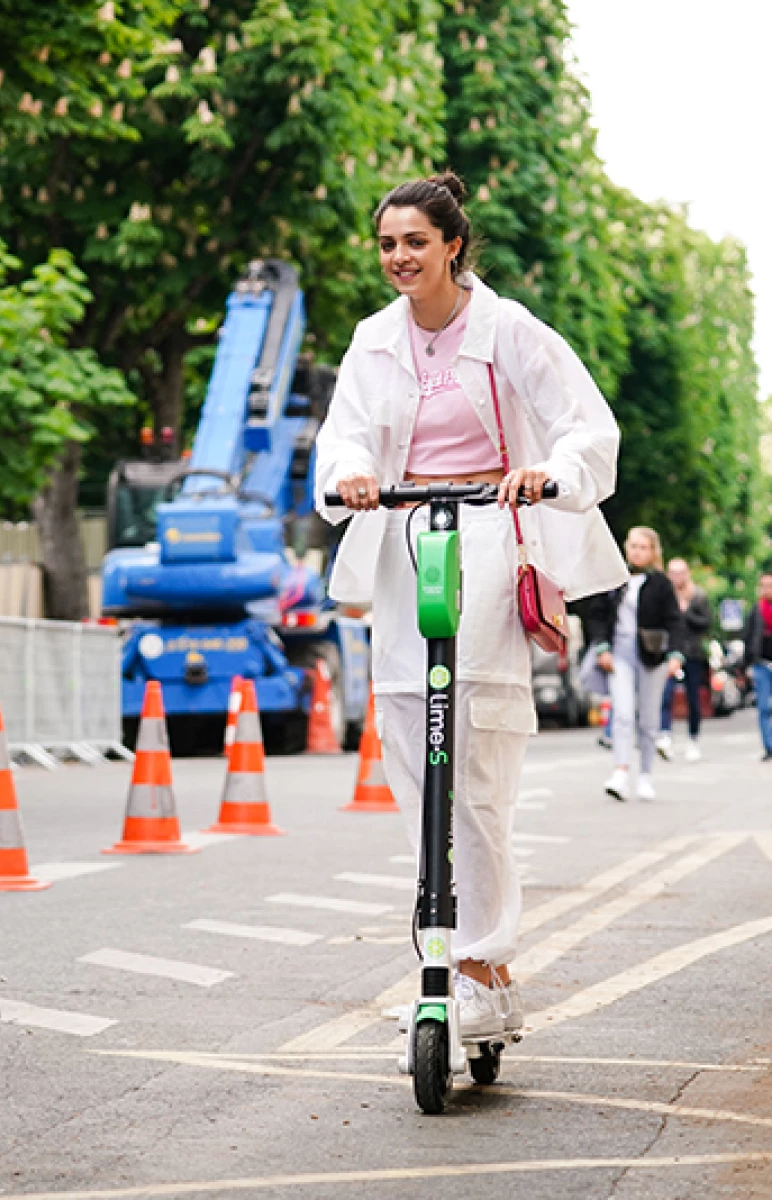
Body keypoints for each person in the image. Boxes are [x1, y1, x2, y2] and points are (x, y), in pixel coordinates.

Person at [315, 172, 627, 1040]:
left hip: (491, 534)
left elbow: (586, 425)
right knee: (415, 752)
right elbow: (339, 436)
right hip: (404, 539)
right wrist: (347, 474)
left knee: (477, 764)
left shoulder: (511, 329)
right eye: (387, 244)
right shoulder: (372, 340)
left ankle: (486, 960)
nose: (398, 258)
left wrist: (547, 474)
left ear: (453, 245)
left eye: (415, 242)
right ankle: (437, 951)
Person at [587, 528, 683, 802]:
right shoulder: (614, 579)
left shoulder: (661, 584)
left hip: (652, 657)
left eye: (644, 547)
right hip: (619, 655)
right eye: (633, 545)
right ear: (625, 547)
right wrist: (602, 647)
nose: (637, 551)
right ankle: (620, 772)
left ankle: (645, 776)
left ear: (653, 552)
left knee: (649, 720)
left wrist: (676, 654)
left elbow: (675, 621)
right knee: (623, 714)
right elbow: (596, 616)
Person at [656, 557, 712, 763]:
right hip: (670, 653)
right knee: (666, 695)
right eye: (673, 572)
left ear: (687, 573)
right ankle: (665, 735)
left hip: (693, 654)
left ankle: (693, 739)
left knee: (693, 699)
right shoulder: (665, 596)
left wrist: (685, 612)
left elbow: (706, 623)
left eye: (680, 572)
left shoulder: (698, 596)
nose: (676, 577)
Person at [742, 571, 772, 762]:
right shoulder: (756, 610)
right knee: (763, 707)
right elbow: (747, 637)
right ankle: (769, 747)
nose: (767, 589)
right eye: (765, 585)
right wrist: (746, 666)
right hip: (761, 665)